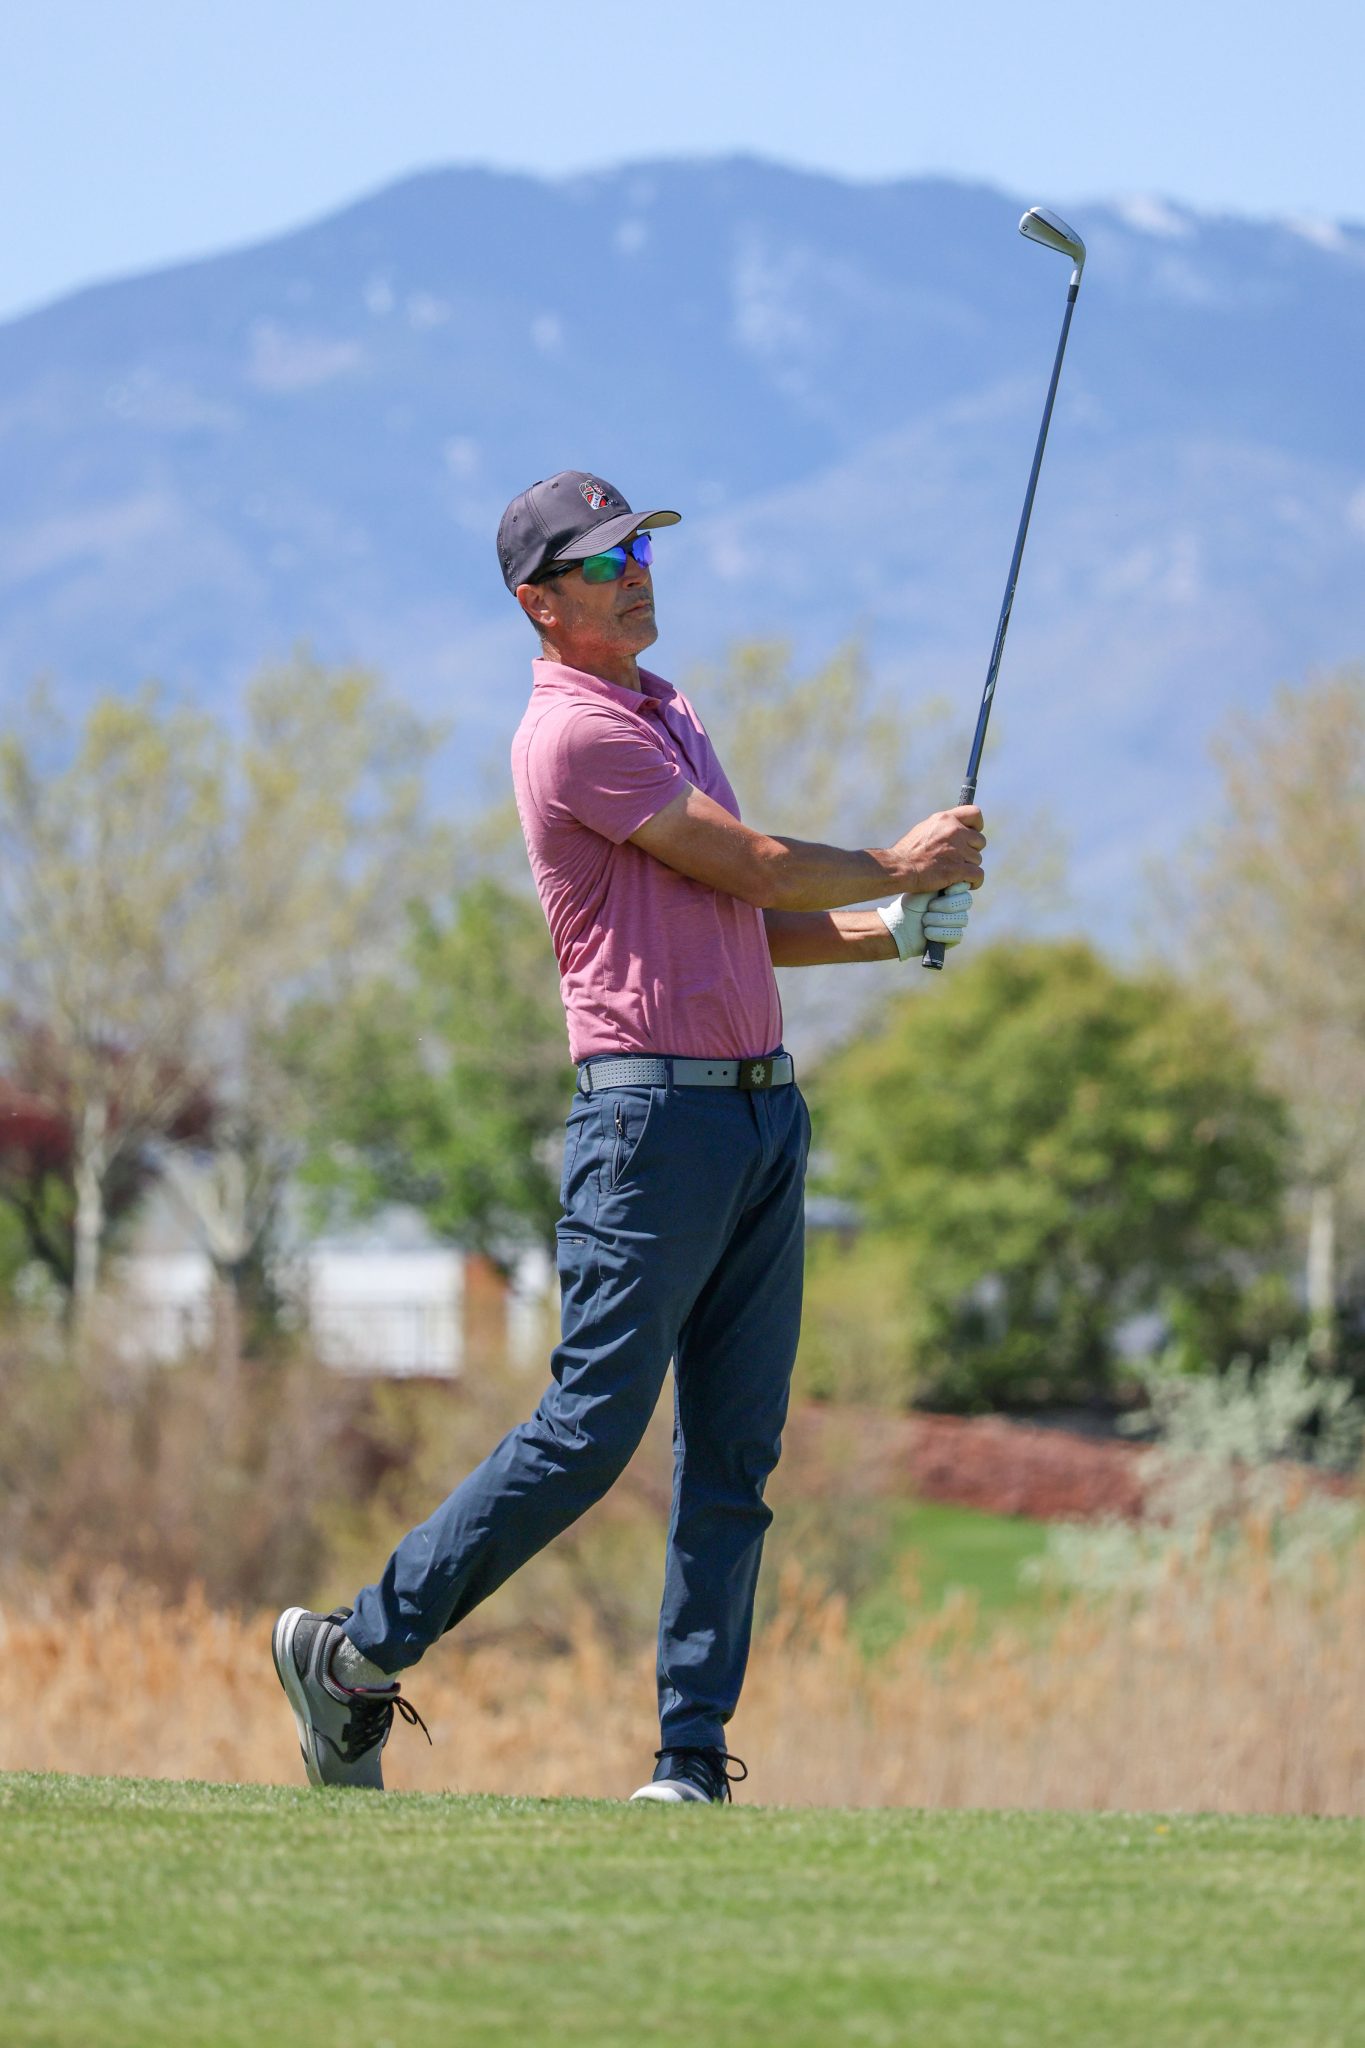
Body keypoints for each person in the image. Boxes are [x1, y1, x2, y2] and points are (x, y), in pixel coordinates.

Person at [273, 470, 984, 1804]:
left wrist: (888, 929)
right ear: (538, 604)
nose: (636, 571)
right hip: (647, 1124)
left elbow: (743, 920)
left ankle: (690, 1764)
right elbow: (759, 864)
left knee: (734, 1455)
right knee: (591, 1427)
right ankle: (357, 1652)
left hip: (761, 1113)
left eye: (640, 547)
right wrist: (899, 865)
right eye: (602, 564)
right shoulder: (571, 738)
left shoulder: (668, 712)